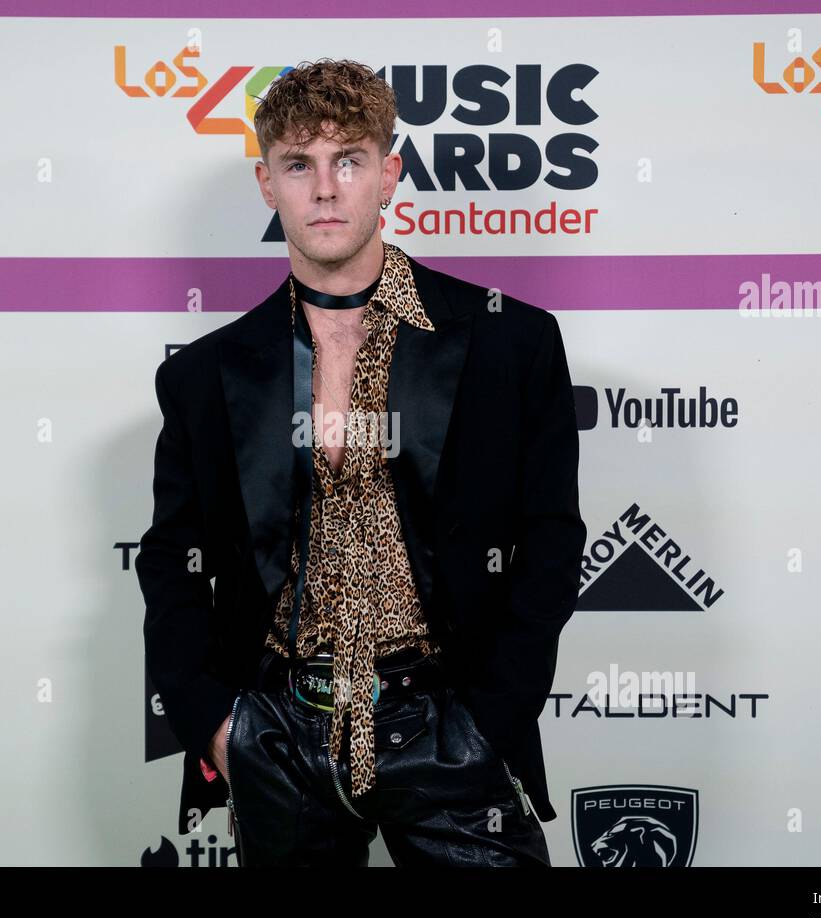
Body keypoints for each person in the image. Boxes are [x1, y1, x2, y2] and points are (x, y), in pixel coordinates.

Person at [135, 58, 585, 866]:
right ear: (266, 184)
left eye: (348, 160)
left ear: (389, 174)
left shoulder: (509, 344)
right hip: (279, 732)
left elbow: (550, 541)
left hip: (450, 726)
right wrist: (216, 722)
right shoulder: (204, 376)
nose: (326, 189)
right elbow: (172, 559)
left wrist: (495, 717)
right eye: (299, 165)